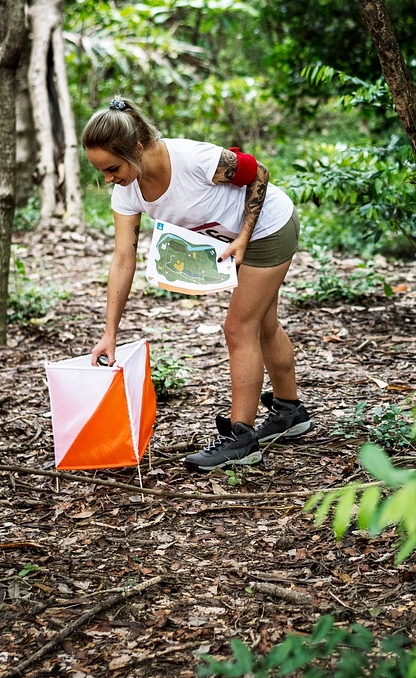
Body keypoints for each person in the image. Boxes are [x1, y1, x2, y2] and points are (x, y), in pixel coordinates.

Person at [83, 98, 311, 471]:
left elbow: (259, 173)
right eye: (101, 172)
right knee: (262, 323)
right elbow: (123, 259)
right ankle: (290, 413)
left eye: (112, 168)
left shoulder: (193, 160)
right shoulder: (127, 189)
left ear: (136, 148)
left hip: (269, 228)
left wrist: (243, 236)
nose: (109, 179)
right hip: (234, 239)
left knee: (239, 328)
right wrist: (110, 333)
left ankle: (242, 439)